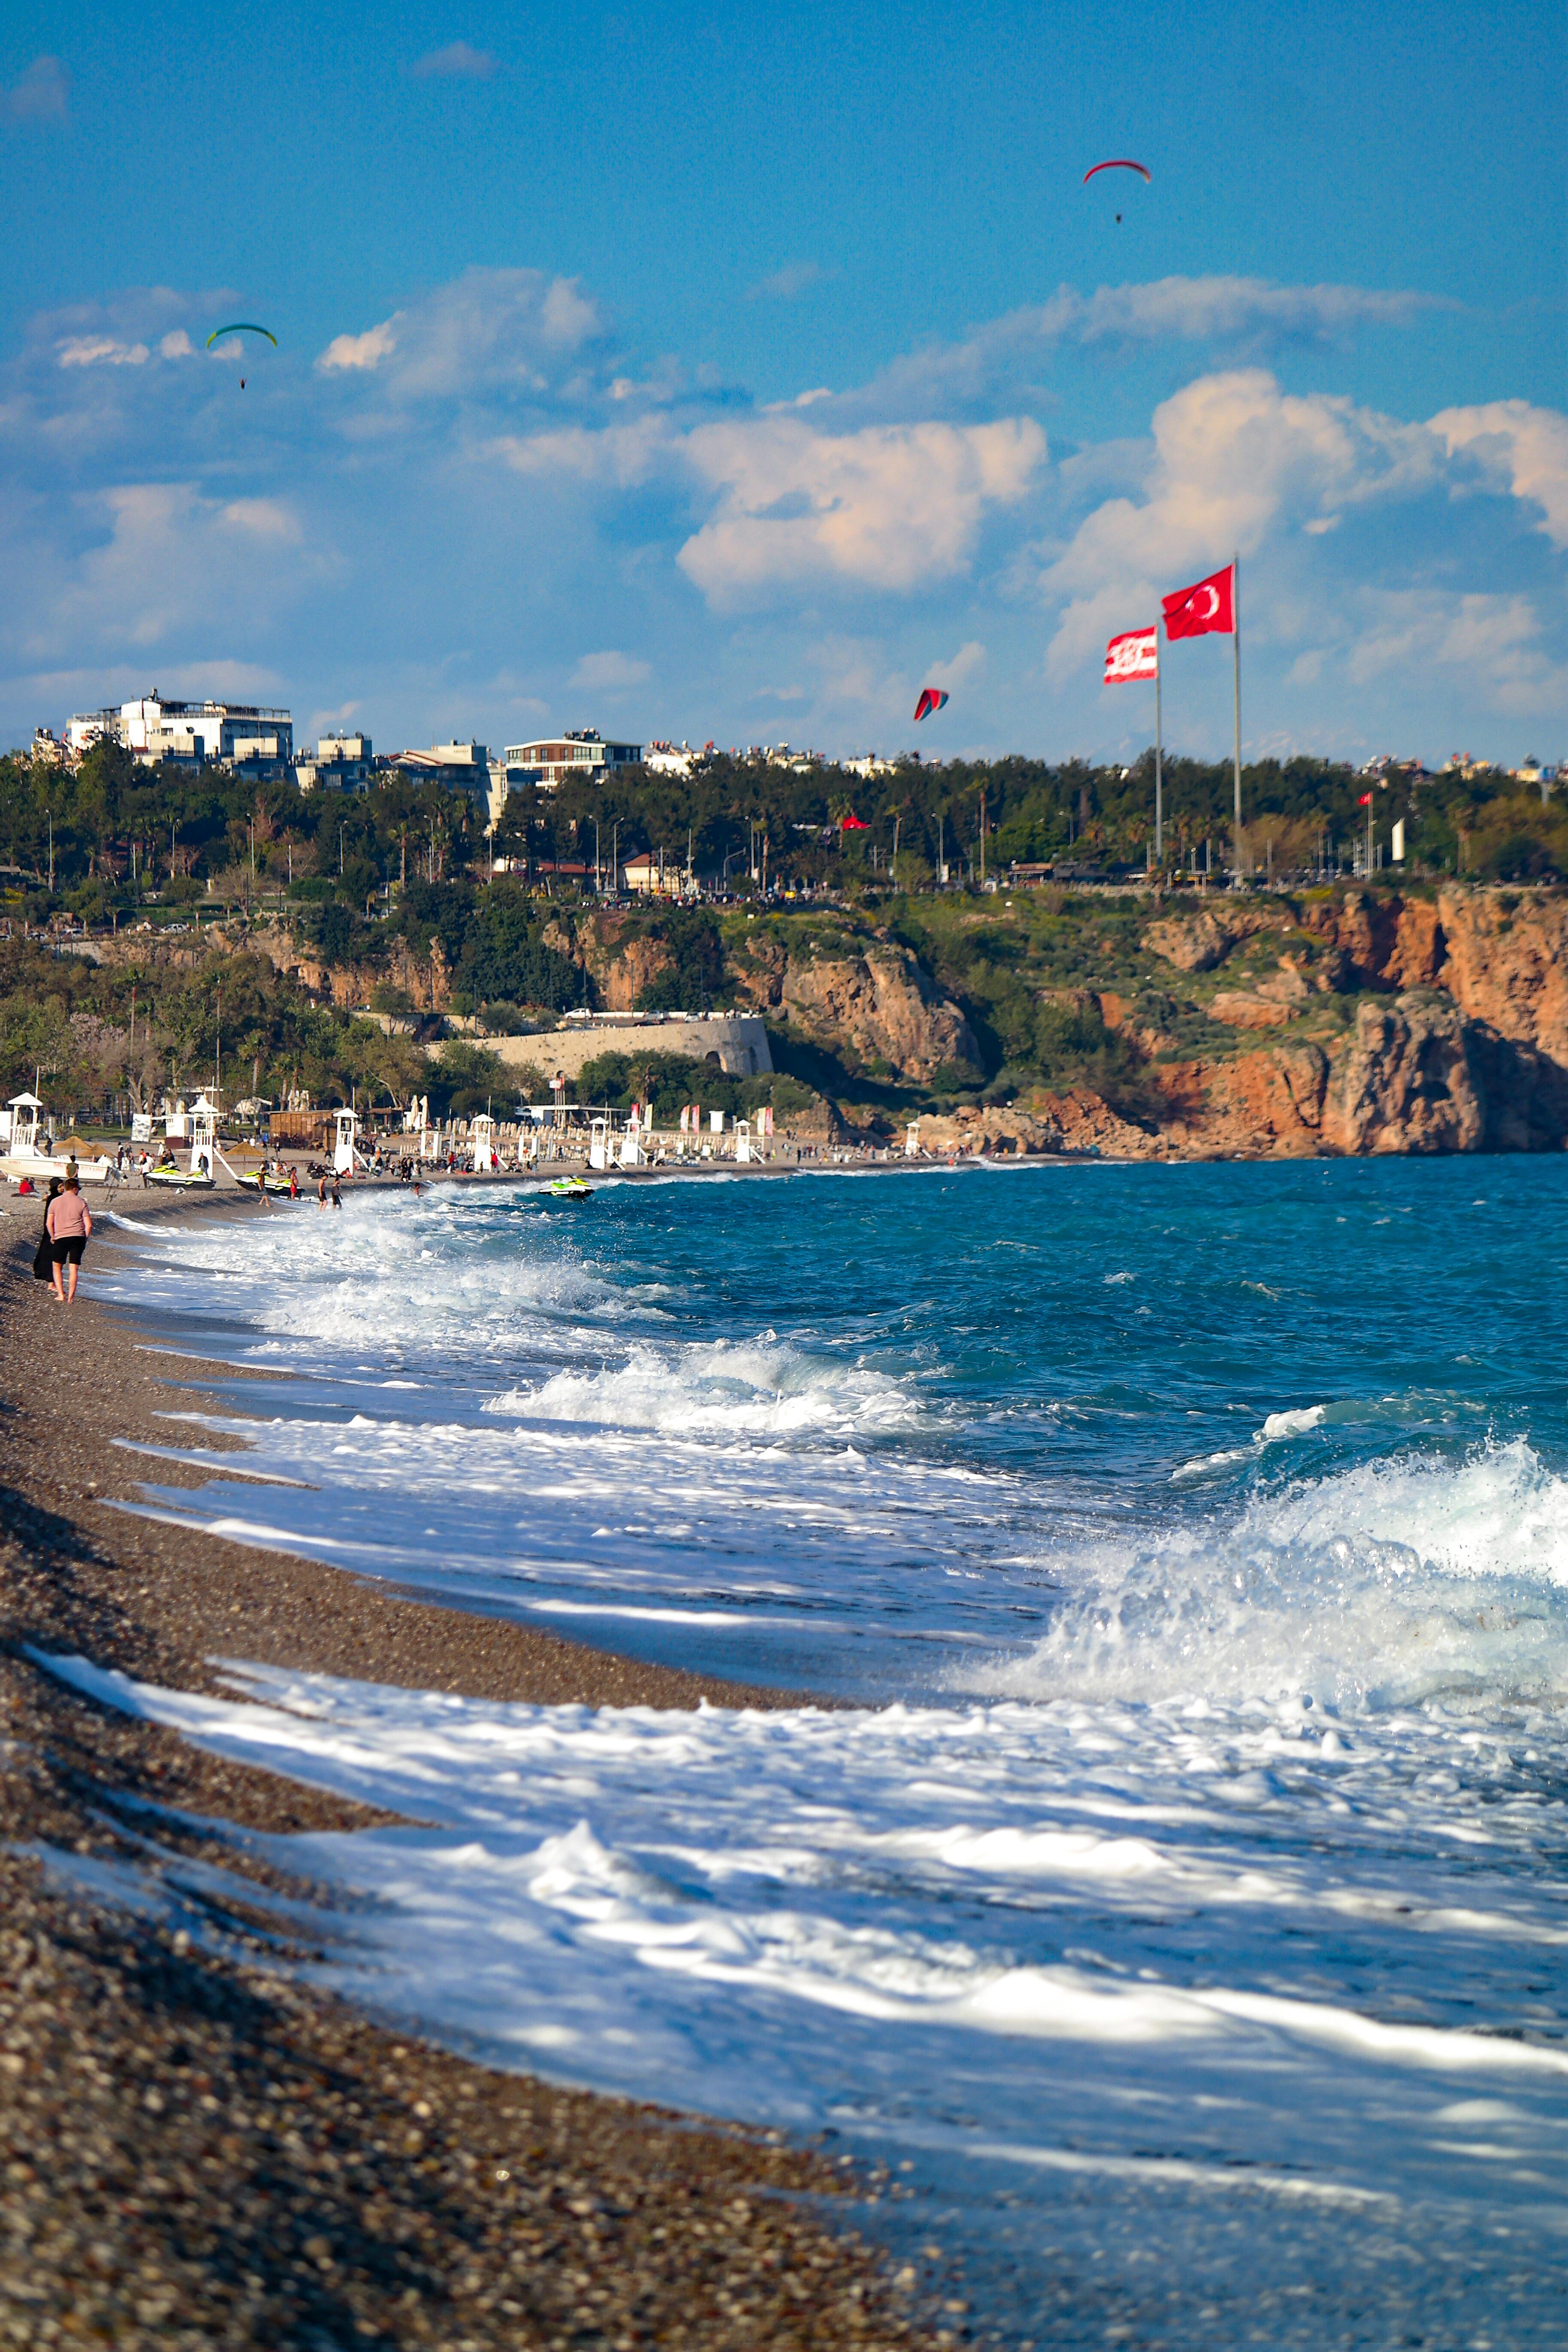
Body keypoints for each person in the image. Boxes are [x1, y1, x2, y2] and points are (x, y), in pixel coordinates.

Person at [46, 1173, 92, 1305]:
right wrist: (85, 1238)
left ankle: (61, 1294)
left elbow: (49, 1223)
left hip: (61, 1237)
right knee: (74, 1268)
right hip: (78, 1237)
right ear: (75, 1189)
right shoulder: (82, 1202)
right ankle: (71, 1297)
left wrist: (53, 1236)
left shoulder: (55, 1202)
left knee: (57, 1265)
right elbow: (88, 1225)